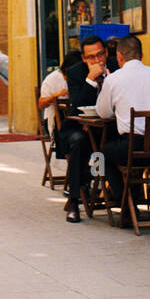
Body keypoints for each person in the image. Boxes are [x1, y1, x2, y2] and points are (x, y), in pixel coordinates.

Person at [95, 34, 150, 211]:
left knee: (103, 154)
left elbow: (103, 112)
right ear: (142, 55)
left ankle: (126, 203)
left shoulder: (114, 79)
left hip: (133, 148)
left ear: (119, 57)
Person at [62, 36, 112, 222]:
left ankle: (124, 193)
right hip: (79, 126)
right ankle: (74, 201)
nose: (97, 60)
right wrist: (91, 80)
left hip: (110, 125)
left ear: (106, 52)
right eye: (91, 57)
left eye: (100, 54)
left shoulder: (115, 67)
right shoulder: (76, 72)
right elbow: (77, 104)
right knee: (78, 142)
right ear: (84, 59)